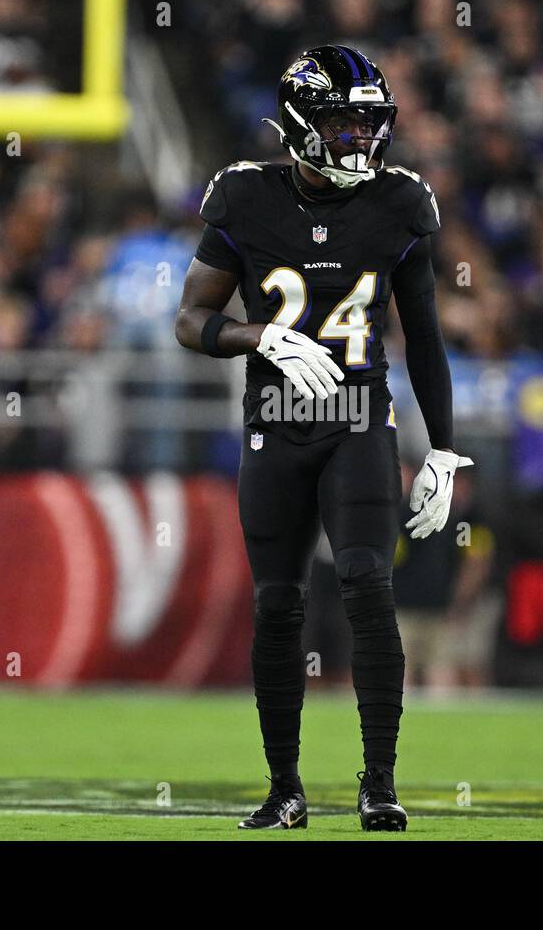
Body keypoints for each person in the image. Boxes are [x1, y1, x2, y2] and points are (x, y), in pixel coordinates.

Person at [175, 45, 471, 830]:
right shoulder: (245, 197)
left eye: (369, 124)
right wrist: (260, 337)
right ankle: (284, 788)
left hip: (359, 417)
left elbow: (424, 336)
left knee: (369, 585)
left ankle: (380, 784)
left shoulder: (399, 202)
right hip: (275, 422)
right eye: (344, 123)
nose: (360, 139)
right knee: (278, 603)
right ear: (302, 123)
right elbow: (191, 320)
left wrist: (443, 448)